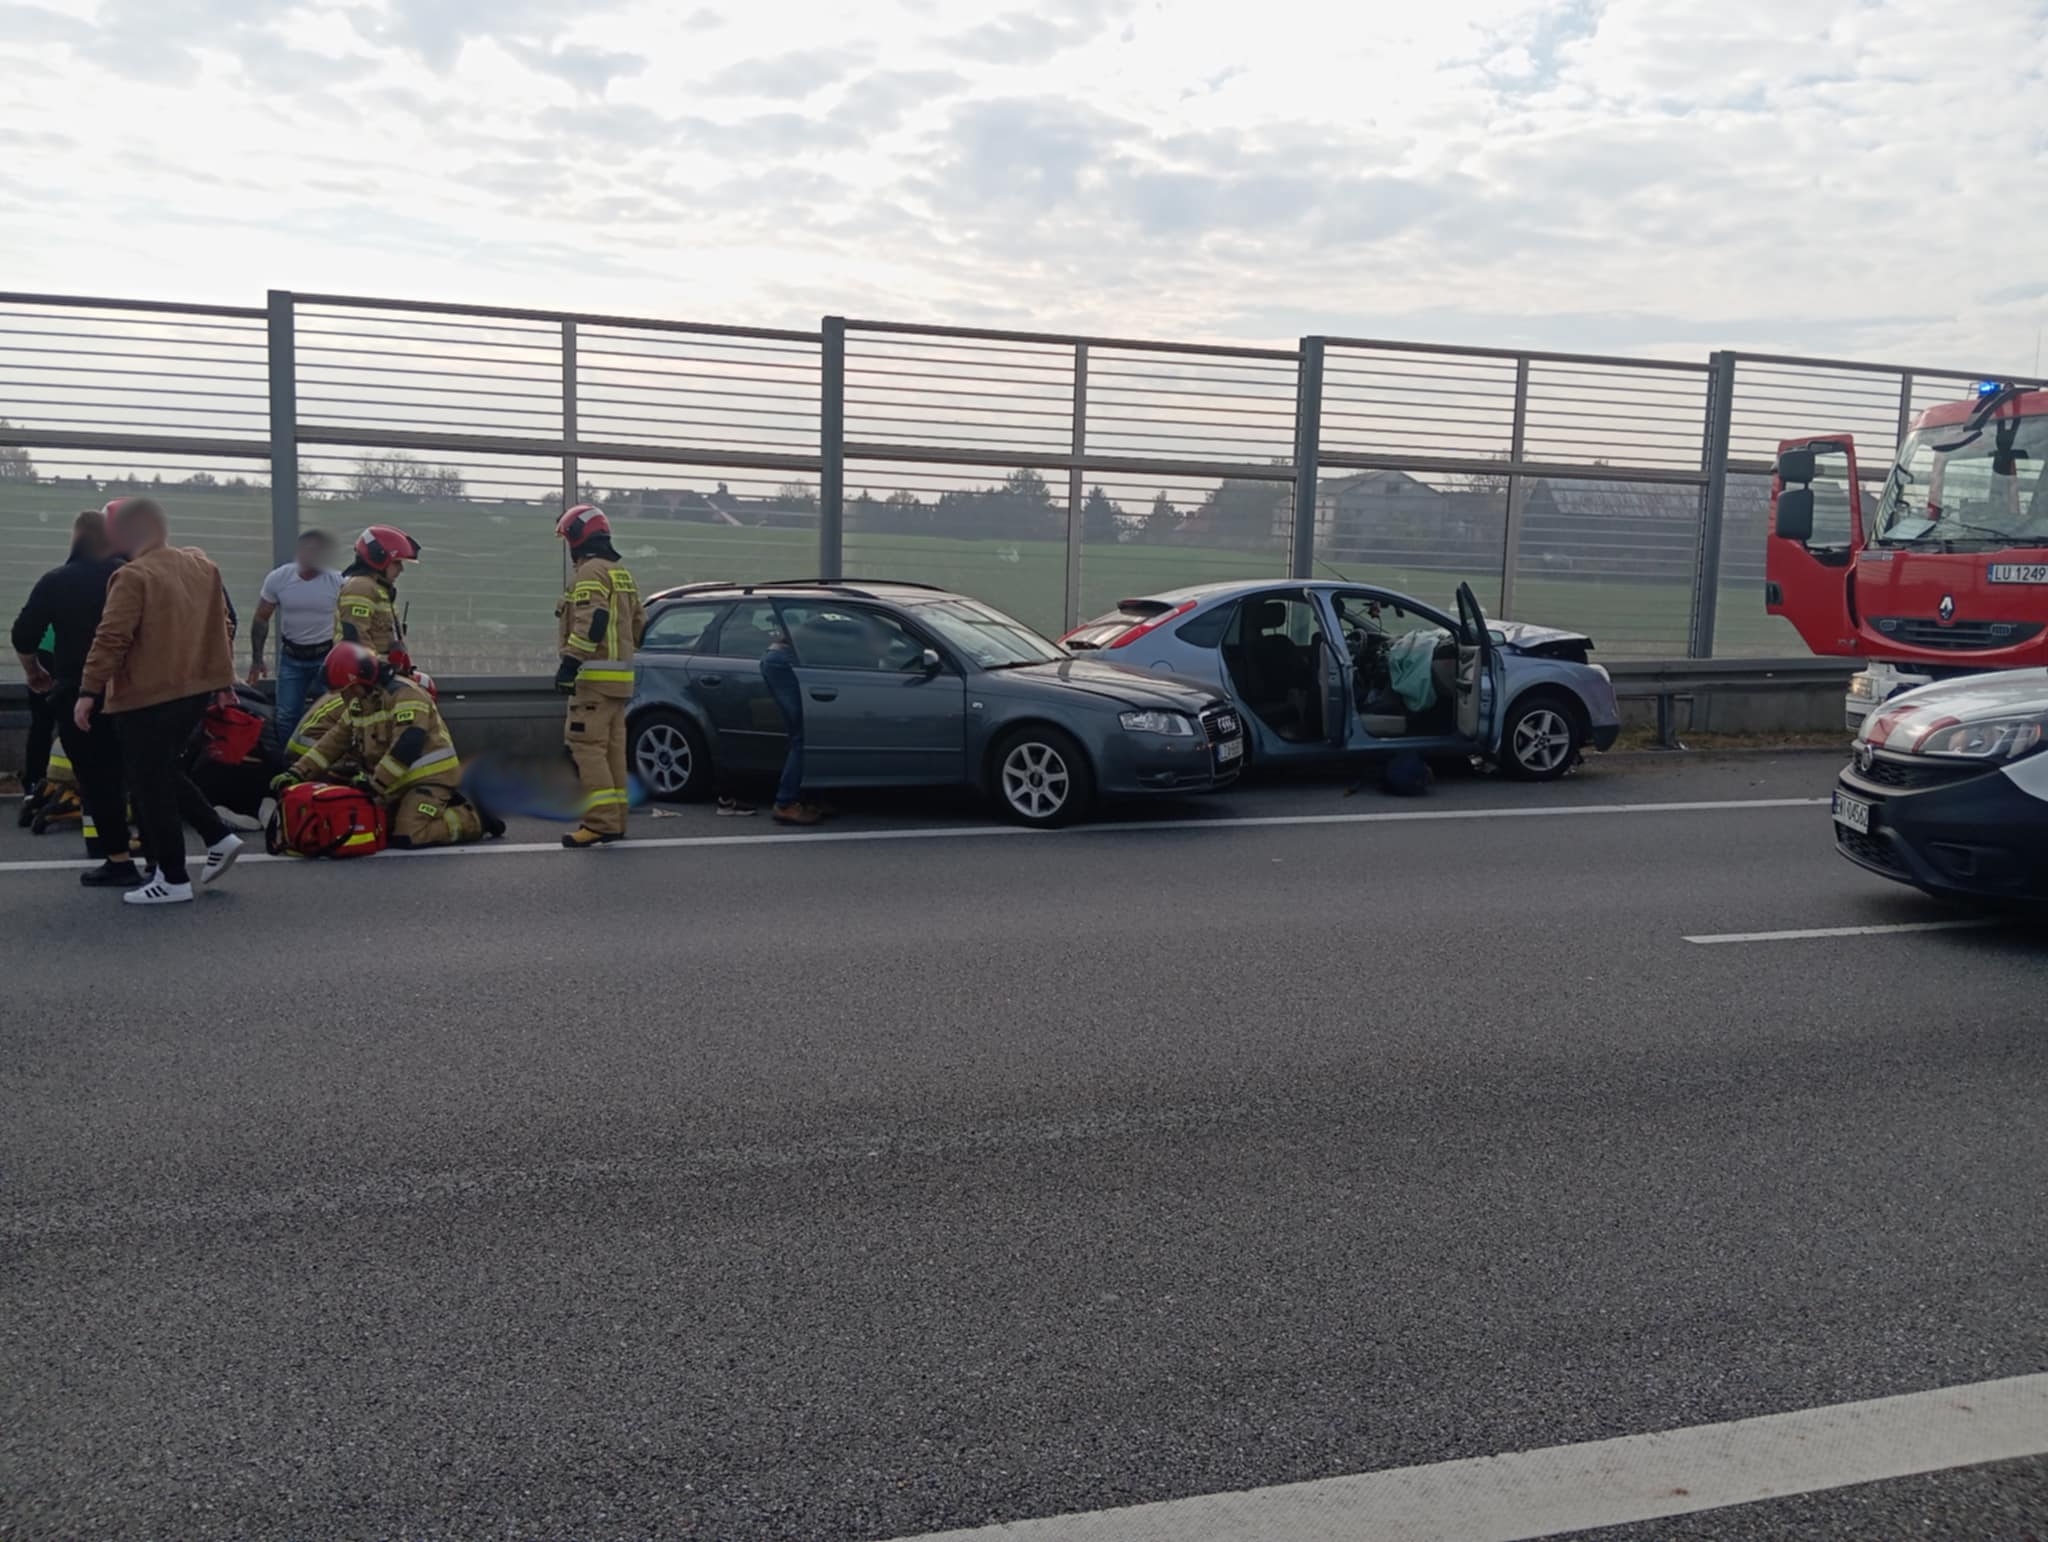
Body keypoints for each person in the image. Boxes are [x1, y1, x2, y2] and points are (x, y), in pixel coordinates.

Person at [75, 497, 242, 904]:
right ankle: (218, 835)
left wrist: (87, 691)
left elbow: (111, 639)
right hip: (192, 691)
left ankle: (173, 878)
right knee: (162, 772)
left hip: (146, 697)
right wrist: (223, 679)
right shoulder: (201, 566)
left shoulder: (133, 577)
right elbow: (222, 625)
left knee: (150, 787)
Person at [12, 508, 139, 884]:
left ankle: (117, 859)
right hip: (135, 691)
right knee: (141, 774)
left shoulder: (57, 581)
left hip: (77, 693)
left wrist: (35, 673)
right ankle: (161, 857)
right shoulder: (131, 576)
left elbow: (23, 636)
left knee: (95, 778)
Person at [273, 643, 503, 848]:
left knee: (408, 835)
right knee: (375, 827)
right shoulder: (360, 703)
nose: (345, 697)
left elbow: (407, 745)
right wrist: (297, 772)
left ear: (362, 678)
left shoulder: (406, 695)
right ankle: (436, 808)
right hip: (394, 782)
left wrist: (375, 784)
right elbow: (333, 742)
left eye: (348, 689)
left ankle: (476, 819)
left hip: (429, 779)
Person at [552, 505, 645, 849]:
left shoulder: (589, 573)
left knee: (586, 748)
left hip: (593, 680)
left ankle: (600, 822)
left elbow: (592, 621)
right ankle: (615, 820)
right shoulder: (621, 573)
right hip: (620, 681)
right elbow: (639, 627)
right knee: (613, 752)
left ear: (578, 539)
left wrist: (570, 664)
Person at [249, 529, 342, 752]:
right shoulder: (279, 578)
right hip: (292, 658)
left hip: (325, 657)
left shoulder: (337, 582)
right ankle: (286, 767)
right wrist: (256, 660)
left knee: (330, 714)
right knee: (286, 716)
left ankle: (324, 766)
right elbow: (261, 618)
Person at [759, 622, 820, 826]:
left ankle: (806, 797)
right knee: (803, 737)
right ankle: (785, 803)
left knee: (808, 737)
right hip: (784, 661)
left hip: (784, 658)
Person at [334, 525, 420, 670]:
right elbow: (356, 637)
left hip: (376, 672)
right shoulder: (361, 587)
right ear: (378, 558)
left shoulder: (379, 589)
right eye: (397, 562)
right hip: (364, 676)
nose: (401, 569)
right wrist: (379, 668)